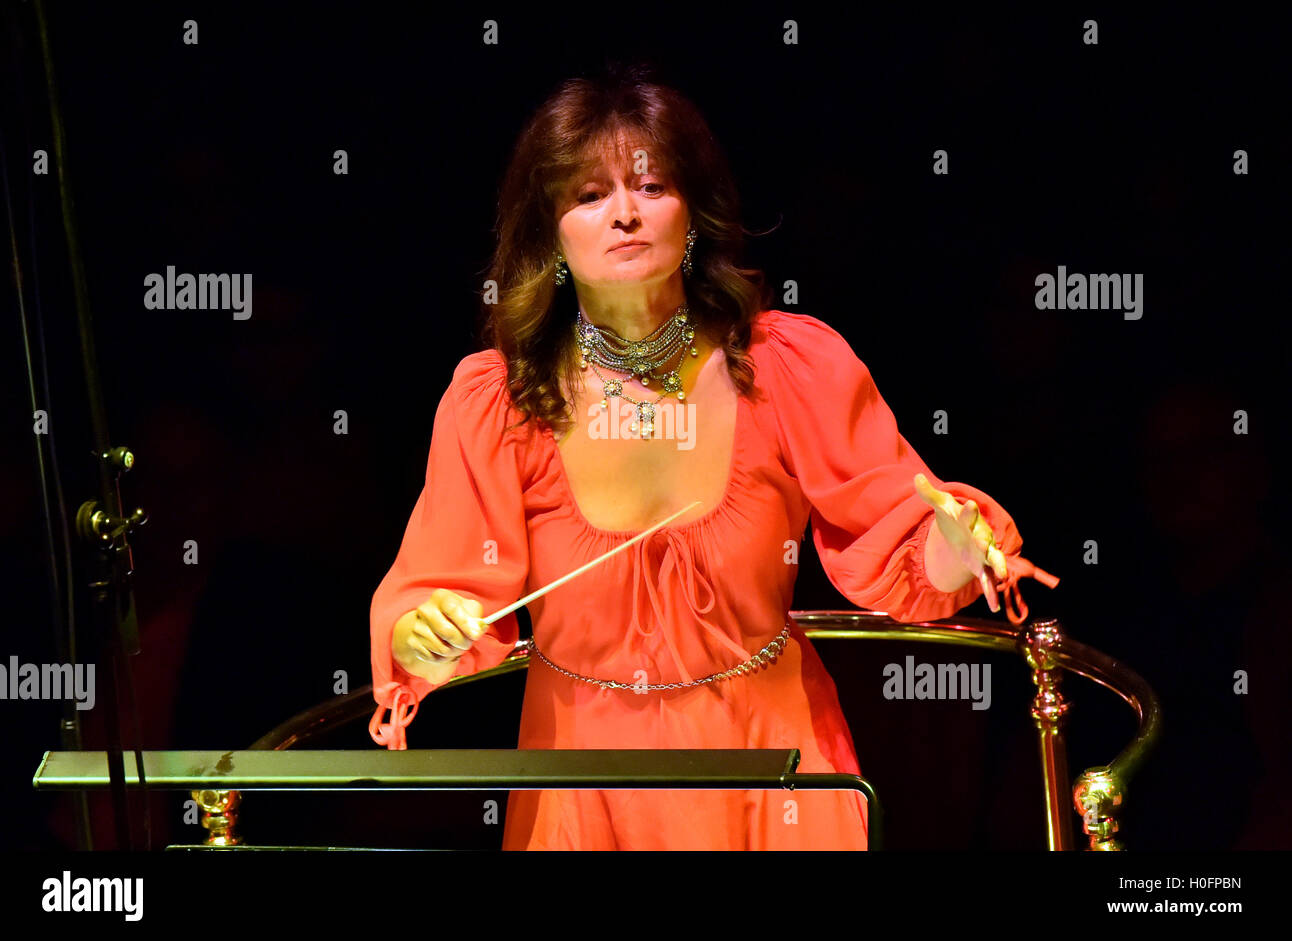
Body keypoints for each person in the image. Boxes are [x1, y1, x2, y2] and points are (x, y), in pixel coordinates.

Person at [368, 64, 1049, 849]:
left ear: (692, 214)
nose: (624, 214)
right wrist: (427, 631)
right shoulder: (500, 400)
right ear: (549, 232)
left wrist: (958, 544)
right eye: (590, 197)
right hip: (585, 791)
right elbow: (445, 588)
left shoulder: (791, 365)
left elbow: (900, 525)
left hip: (778, 771)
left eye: (651, 188)